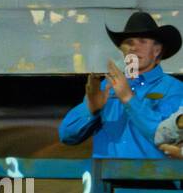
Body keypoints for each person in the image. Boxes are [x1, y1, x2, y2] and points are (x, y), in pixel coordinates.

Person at [59, 12, 183, 158]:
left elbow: (169, 136)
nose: (133, 48)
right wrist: (91, 109)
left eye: (142, 41)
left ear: (157, 50)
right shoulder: (107, 87)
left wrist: (128, 98)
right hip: (105, 178)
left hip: (154, 178)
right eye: (128, 42)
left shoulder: (174, 89)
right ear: (122, 50)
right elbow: (67, 136)